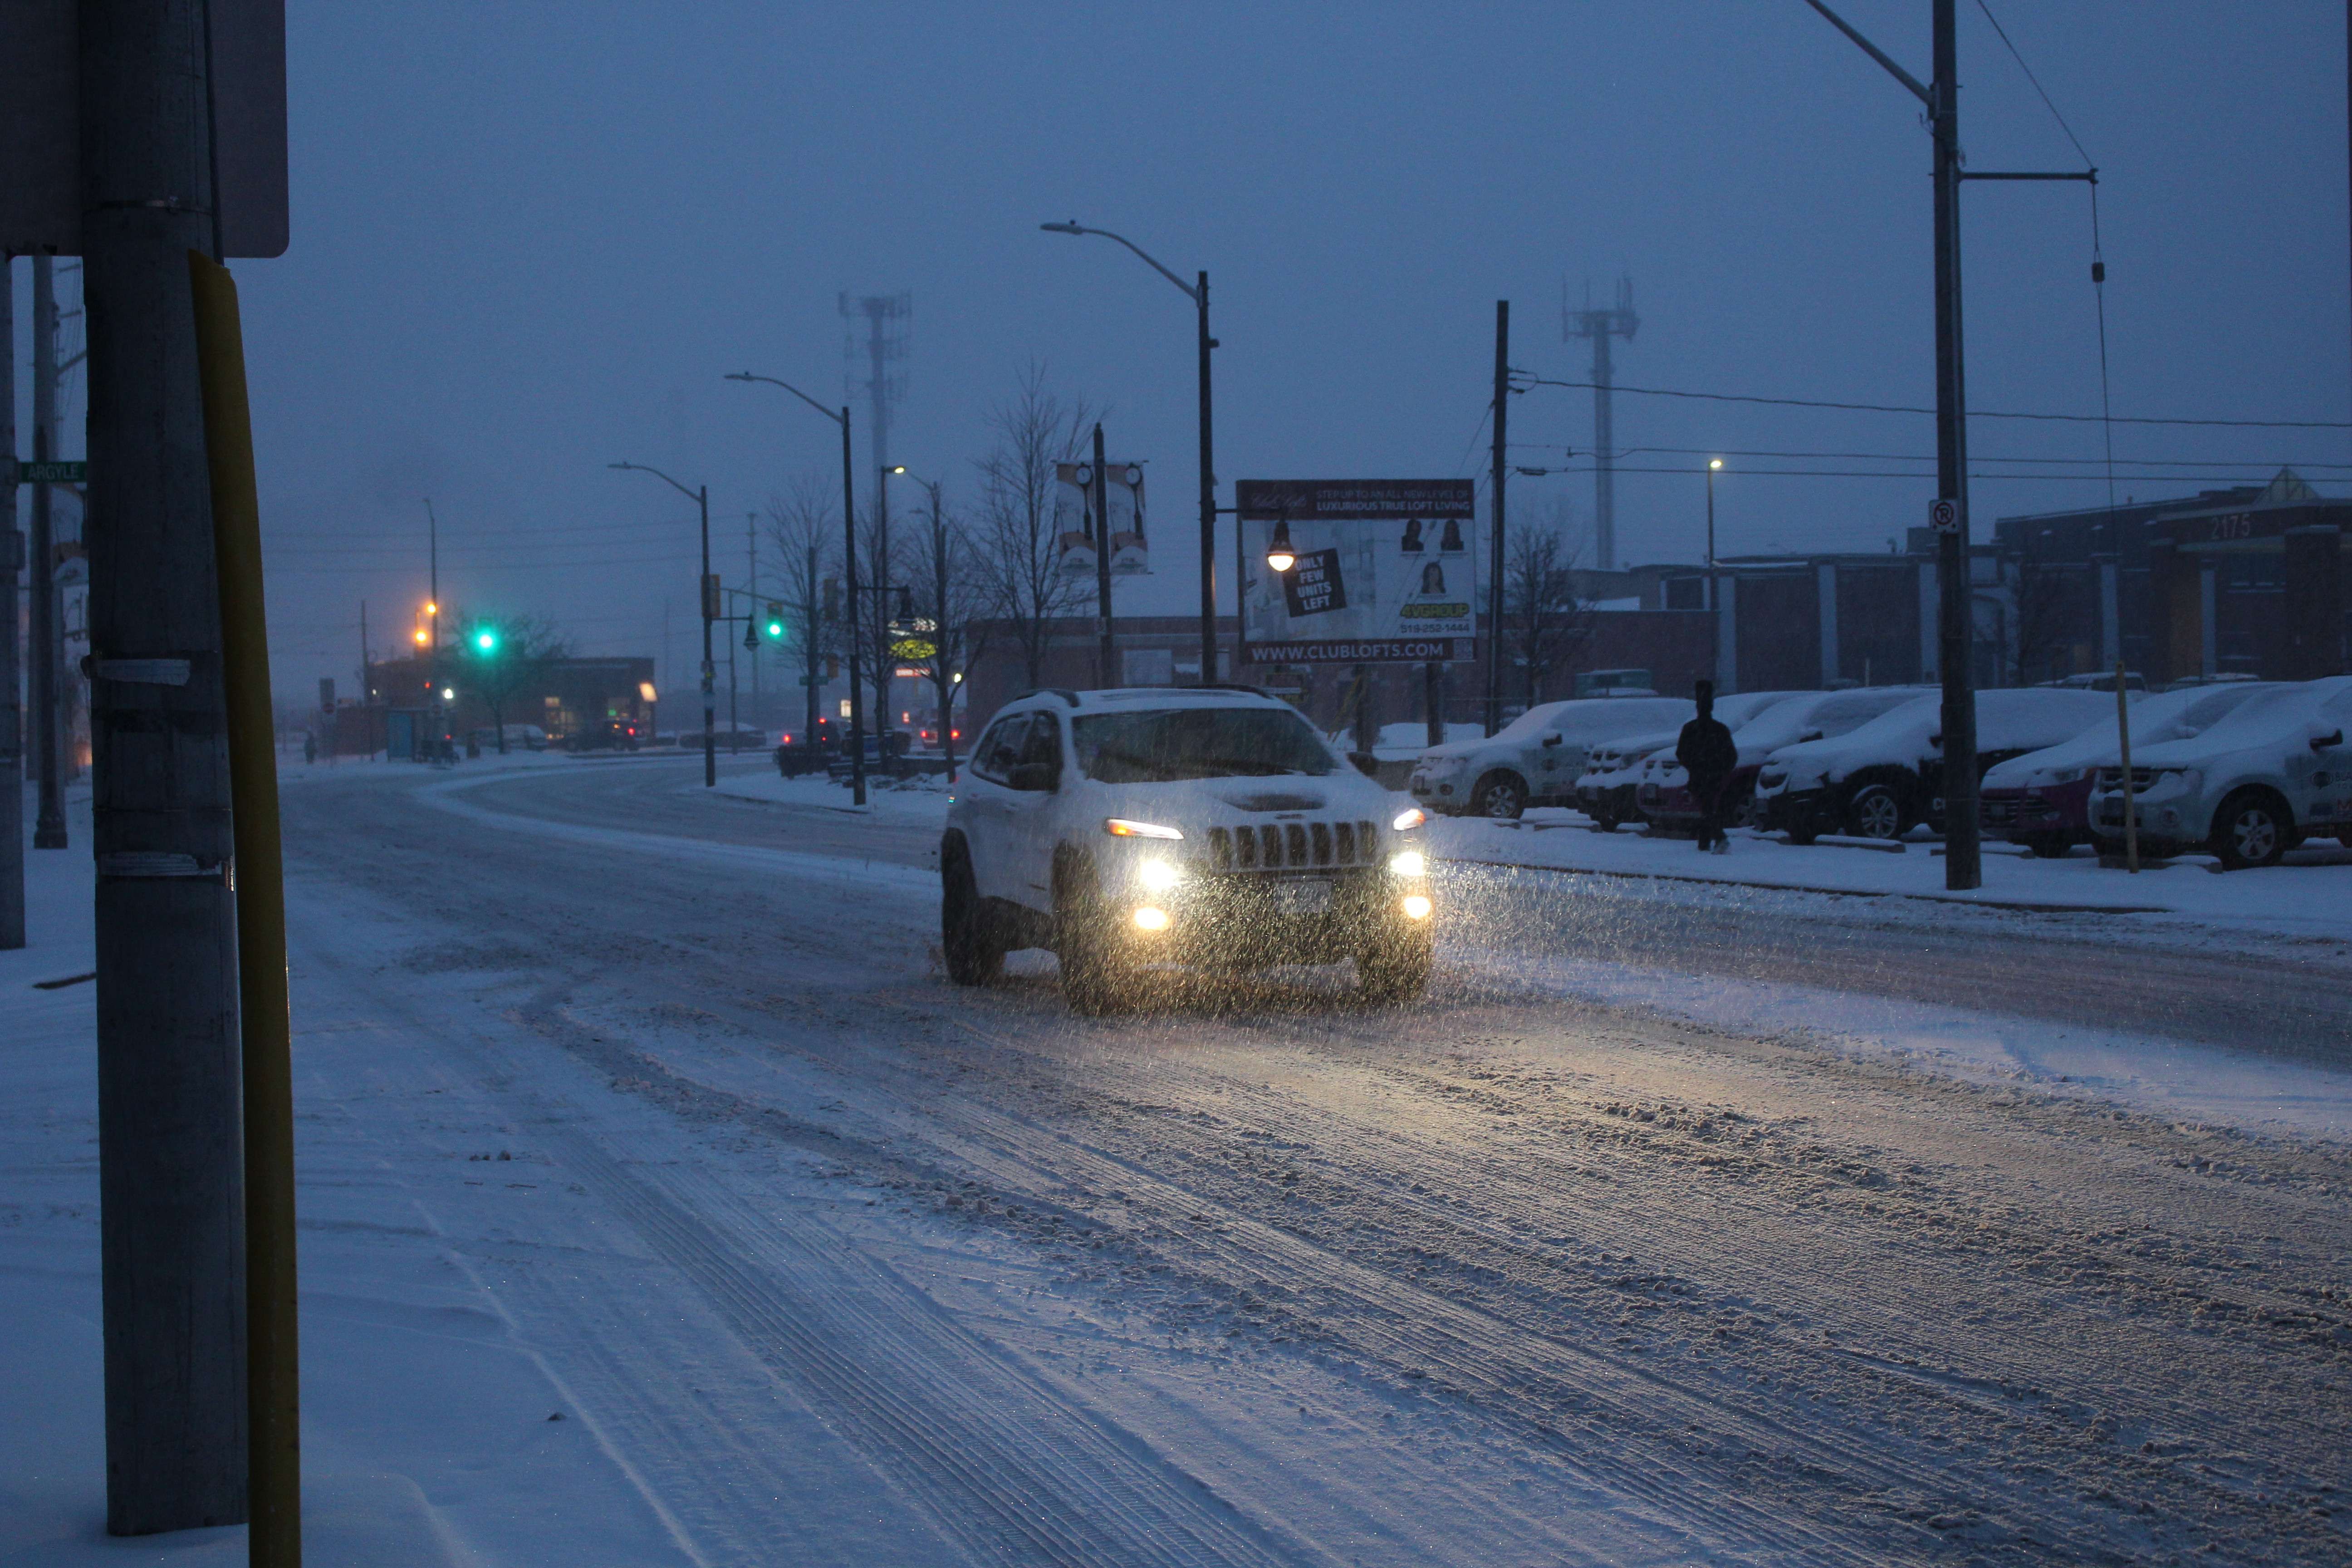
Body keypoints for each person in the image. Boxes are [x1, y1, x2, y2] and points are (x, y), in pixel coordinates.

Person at [1676, 679, 1738, 853]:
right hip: (1711, 775)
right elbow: (1731, 756)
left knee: (1706, 808)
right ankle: (1705, 841)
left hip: (1701, 775)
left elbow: (1681, 754)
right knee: (1707, 807)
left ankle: (1717, 838)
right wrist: (1721, 769)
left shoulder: (1692, 730)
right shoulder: (1718, 730)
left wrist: (1695, 765)